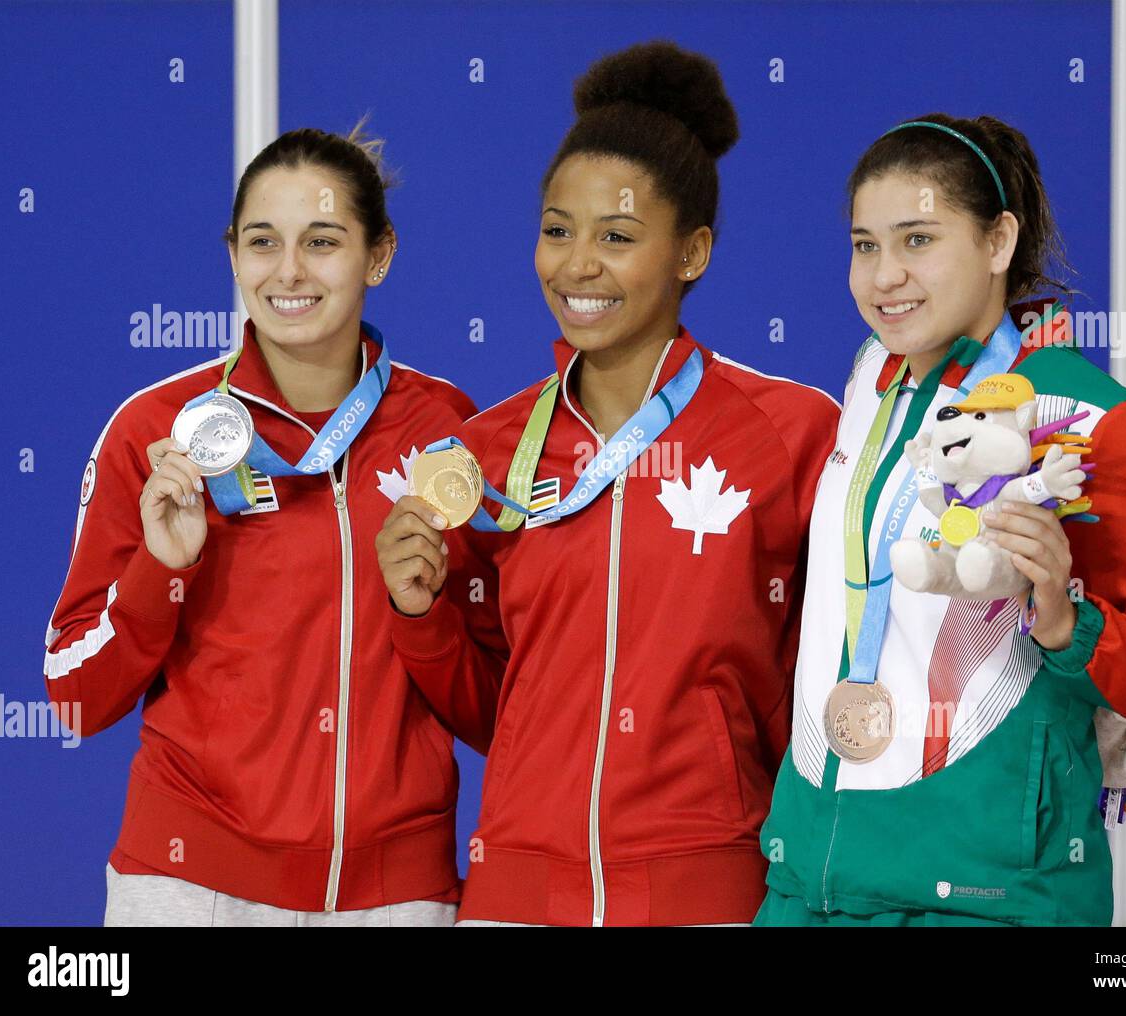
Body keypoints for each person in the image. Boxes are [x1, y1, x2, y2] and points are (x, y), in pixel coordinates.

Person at [375, 40, 840, 926]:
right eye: (557, 229)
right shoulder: (483, 455)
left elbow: (816, 687)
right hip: (515, 896)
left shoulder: (791, 434)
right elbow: (498, 714)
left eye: (617, 237)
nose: (576, 265)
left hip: (709, 894)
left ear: (693, 252)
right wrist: (418, 615)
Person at [754, 113, 1126, 926]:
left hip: (988, 897)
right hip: (812, 884)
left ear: (999, 241)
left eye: (918, 239)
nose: (884, 276)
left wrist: (1064, 623)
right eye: (865, 245)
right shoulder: (871, 386)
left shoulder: (1095, 420)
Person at [43, 123, 476, 926]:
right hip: (187, 887)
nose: (288, 272)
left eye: (322, 241)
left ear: (379, 255)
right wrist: (159, 573)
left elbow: (493, 703)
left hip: (395, 895)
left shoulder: (448, 434)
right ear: (232, 254)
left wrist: (426, 618)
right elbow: (72, 696)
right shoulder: (160, 430)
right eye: (262, 242)